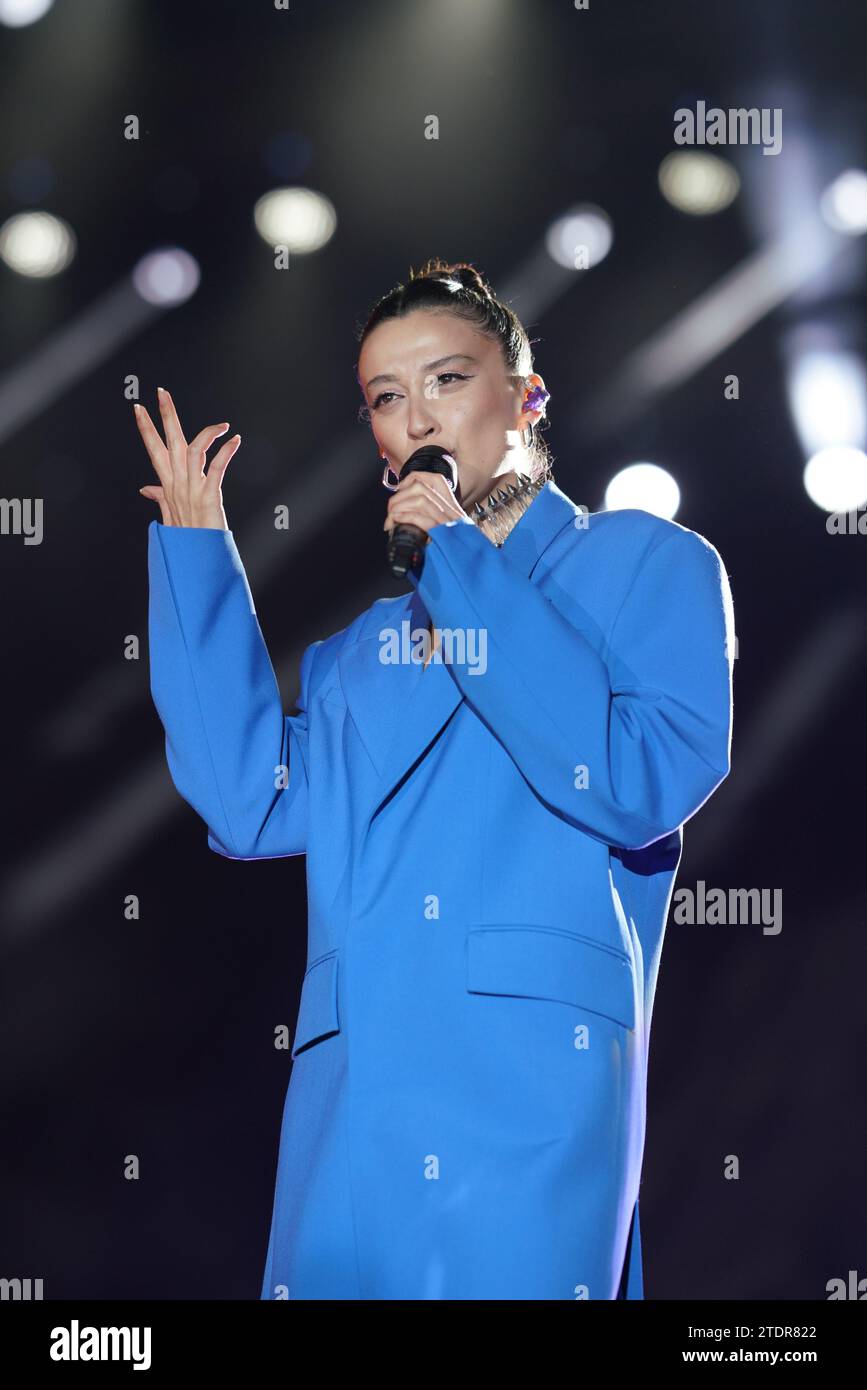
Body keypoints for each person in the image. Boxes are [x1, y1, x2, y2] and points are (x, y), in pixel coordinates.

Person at [136, 258, 735, 1300]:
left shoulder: (649, 564)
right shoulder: (359, 652)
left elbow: (633, 778)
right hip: (356, 1096)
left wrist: (459, 562)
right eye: (385, 396)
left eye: (448, 380)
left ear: (526, 397)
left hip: (530, 1082)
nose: (416, 415)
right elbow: (247, 799)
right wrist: (197, 556)